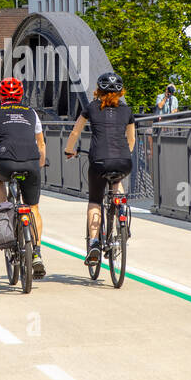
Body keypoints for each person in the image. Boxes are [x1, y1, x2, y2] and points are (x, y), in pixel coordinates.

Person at [0, 77, 48, 277]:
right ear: (21, 94)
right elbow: (41, 144)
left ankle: (3, 208)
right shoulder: (31, 113)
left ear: (0, 95)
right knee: (33, 208)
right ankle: (37, 253)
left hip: (5, 163)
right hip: (31, 163)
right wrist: (40, 164)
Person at [64, 72, 136, 268]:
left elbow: (75, 131)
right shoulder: (127, 111)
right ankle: (121, 209)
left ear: (98, 90)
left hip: (99, 161)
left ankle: (94, 243)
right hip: (123, 161)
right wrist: (124, 154)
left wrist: (69, 150)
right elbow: (131, 140)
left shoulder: (91, 108)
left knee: (95, 201)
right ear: (121, 92)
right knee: (116, 183)